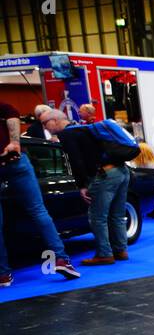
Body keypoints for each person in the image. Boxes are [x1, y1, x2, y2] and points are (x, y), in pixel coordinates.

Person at [0, 105, 80, 286]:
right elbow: (12, 113)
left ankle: (3, 274)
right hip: (15, 159)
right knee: (38, 211)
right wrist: (15, 143)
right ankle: (61, 259)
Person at [56, 114, 141, 266]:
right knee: (117, 214)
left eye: (44, 123)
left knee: (97, 217)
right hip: (122, 170)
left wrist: (81, 185)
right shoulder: (86, 129)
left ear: (54, 121)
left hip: (105, 175)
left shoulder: (68, 134)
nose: (45, 128)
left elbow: (76, 161)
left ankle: (104, 254)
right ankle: (121, 250)